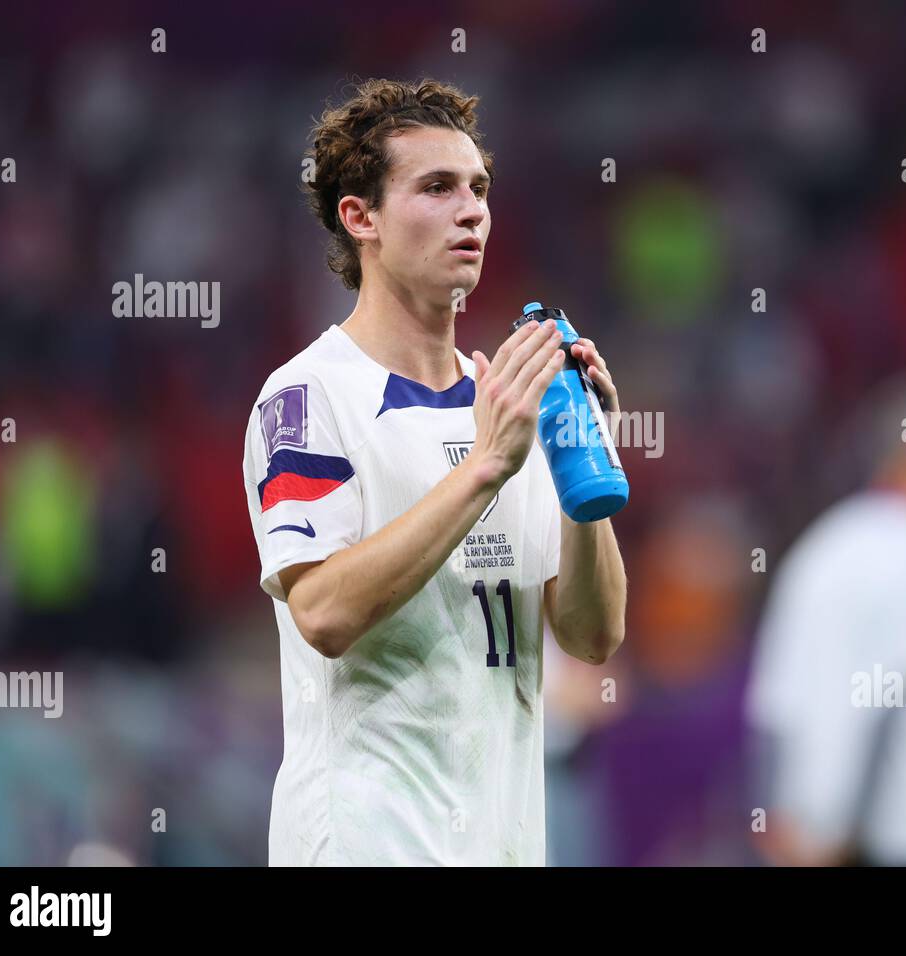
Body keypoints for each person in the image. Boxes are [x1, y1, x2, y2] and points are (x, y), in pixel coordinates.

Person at [241, 78, 627, 866]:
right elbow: (322, 613)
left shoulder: (511, 403)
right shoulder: (309, 397)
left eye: (479, 188)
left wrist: (585, 474)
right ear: (362, 217)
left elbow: (592, 637)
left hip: (505, 843)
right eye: (437, 187)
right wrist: (485, 468)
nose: (472, 210)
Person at [746, 373, 906, 866]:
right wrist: (845, 831)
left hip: (810, 827)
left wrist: (781, 816)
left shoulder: (824, 543)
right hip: (896, 834)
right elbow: (890, 697)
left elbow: (776, 700)